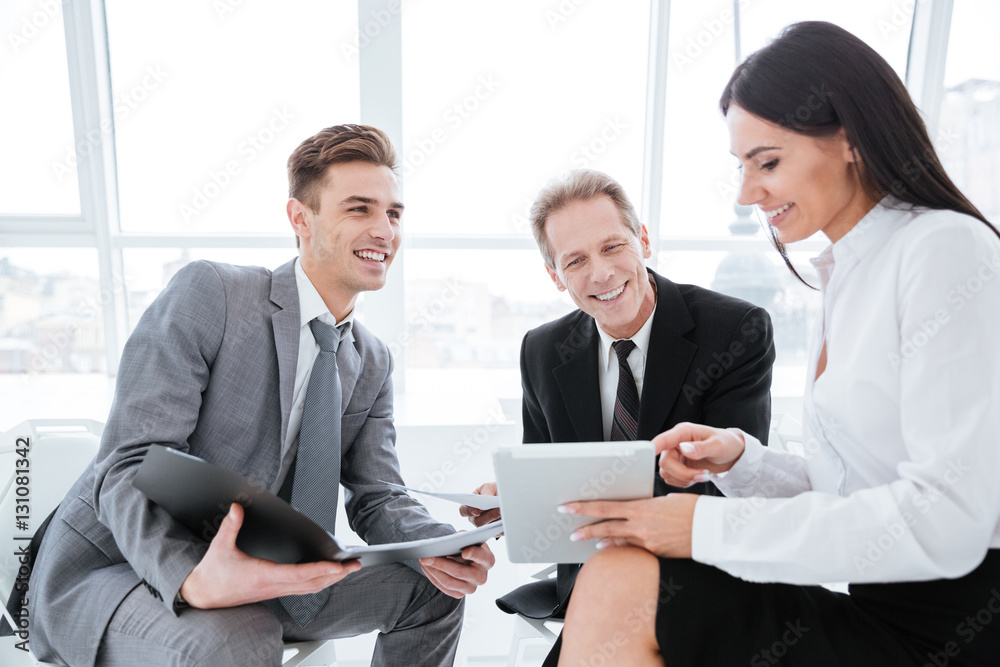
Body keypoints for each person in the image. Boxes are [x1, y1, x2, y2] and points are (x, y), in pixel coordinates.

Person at [551, 21, 1000, 667]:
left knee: (625, 584)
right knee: (617, 573)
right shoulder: (846, 271)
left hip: (951, 629)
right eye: (741, 166)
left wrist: (703, 527)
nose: (746, 192)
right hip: (882, 607)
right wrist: (740, 461)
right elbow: (854, 492)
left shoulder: (943, 249)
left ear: (848, 138)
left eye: (768, 161)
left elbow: (948, 515)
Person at [20, 124, 494, 667]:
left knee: (433, 590)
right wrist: (194, 578)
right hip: (119, 568)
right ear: (300, 218)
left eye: (393, 213)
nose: (384, 229)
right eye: (359, 209)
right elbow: (128, 463)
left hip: (264, 569)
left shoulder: (372, 359)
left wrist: (440, 546)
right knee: (241, 637)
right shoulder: (213, 295)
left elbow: (378, 495)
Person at [460, 169, 775, 624]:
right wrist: (511, 500)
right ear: (555, 276)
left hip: (698, 573)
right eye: (575, 261)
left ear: (643, 240)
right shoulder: (543, 350)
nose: (601, 273)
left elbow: (733, 487)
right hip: (593, 578)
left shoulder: (734, 330)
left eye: (612, 247)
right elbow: (547, 471)